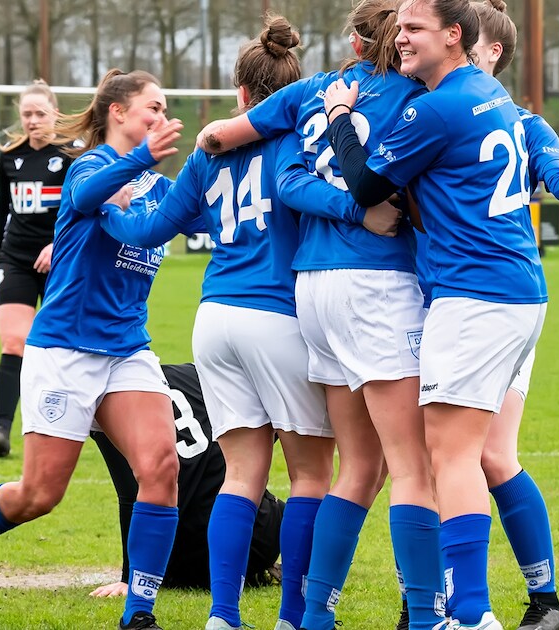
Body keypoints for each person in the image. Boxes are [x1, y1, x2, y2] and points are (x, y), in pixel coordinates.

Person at [98, 16, 406, 630]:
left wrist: (105, 216)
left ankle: (223, 617)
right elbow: (304, 191)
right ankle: (295, 617)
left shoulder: (211, 153)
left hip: (214, 319)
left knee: (241, 473)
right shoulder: (299, 140)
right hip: (278, 316)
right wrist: (361, 210)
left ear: (242, 95)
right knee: (314, 473)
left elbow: (153, 229)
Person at [197, 3, 448, 630]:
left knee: (359, 467)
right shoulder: (417, 95)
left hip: (313, 289)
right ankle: (424, 617)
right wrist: (364, 210)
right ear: (399, 39)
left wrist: (232, 133)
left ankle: (311, 616)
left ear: (355, 41)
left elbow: (218, 138)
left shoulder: (311, 91)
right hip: (379, 281)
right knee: (414, 466)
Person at [0, 69, 187, 630]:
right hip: (64, 349)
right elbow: (87, 195)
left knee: (160, 467)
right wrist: (140, 162)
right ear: (118, 112)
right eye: (152, 108)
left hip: (128, 350)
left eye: (164, 110)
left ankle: (140, 615)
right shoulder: (89, 166)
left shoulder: (159, 187)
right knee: (38, 495)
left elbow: (203, 211)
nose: (161, 119)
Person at [322, 0, 551, 626]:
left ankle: (470, 613)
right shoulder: (489, 93)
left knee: (450, 457)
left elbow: (365, 186)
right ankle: (507, 604)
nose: (401, 39)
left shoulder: (436, 107)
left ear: (455, 36)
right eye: (399, 30)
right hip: (514, 290)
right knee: (473, 453)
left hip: (475, 296)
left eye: (415, 29)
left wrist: (341, 117)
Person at [87, 363, 284, 596]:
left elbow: (132, 494)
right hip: (254, 541)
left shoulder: (106, 401)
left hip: (172, 565)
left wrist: (130, 577)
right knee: (261, 485)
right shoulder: (198, 374)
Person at [0, 80, 73, 458]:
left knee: (57, 347)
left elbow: (80, 211)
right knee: (14, 342)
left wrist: (57, 244)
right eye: (26, 115)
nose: (33, 121)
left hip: (61, 259)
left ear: (55, 114)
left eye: (40, 114)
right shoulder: (9, 156)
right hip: (15, 259)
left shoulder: (72, 155)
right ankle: (2, 429)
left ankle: (63, 426)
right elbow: (3, 211)